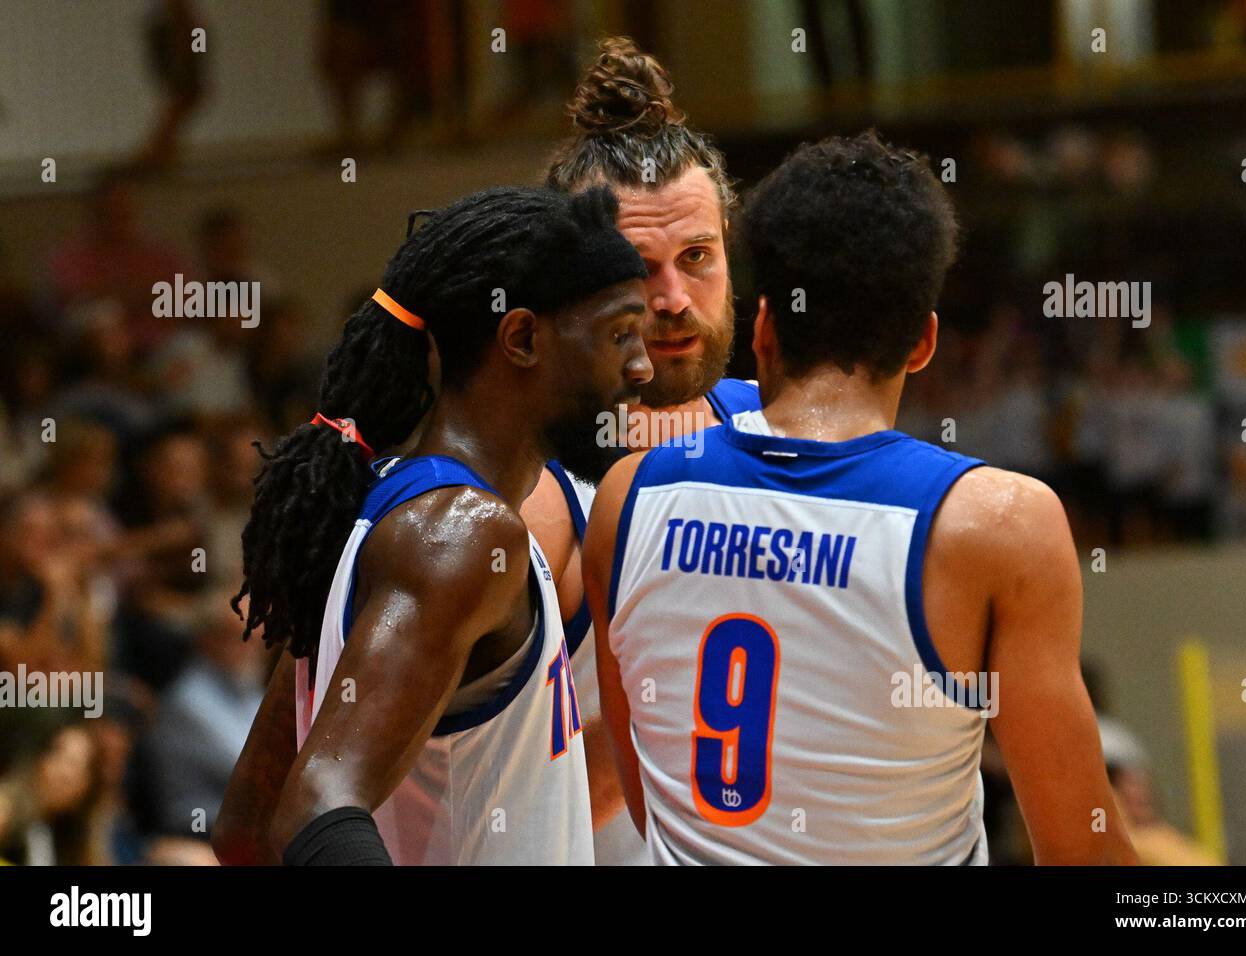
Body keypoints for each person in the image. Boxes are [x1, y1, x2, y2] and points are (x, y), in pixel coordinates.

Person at [583, 131, 1138, 865]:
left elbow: (649, 804)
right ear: (923, 342)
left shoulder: (628, 500)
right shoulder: (1000, 525)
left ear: (764, 326)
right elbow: (1084, 854)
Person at [214, 185, 651, 866]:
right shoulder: (463, 535)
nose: (642, 366)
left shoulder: (381, 506)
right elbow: (316, 802)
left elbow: (246, 823)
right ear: (524, 337)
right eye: (619, 334)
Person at [521, 36, 761, 864]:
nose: (670, 300)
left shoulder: (787, 433)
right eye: (635, 267)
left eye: (698, 259)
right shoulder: (528, 495)